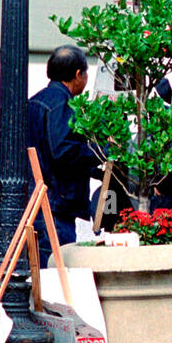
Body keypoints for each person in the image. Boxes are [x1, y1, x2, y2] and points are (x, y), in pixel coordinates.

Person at [28, 45, 100, 246]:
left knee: (41, 269)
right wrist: (100, 151)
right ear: (78, 74)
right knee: (54, 267)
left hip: (39, 199)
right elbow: (64, 151)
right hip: (55, 203)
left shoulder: (35, 101)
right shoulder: (63, 104)